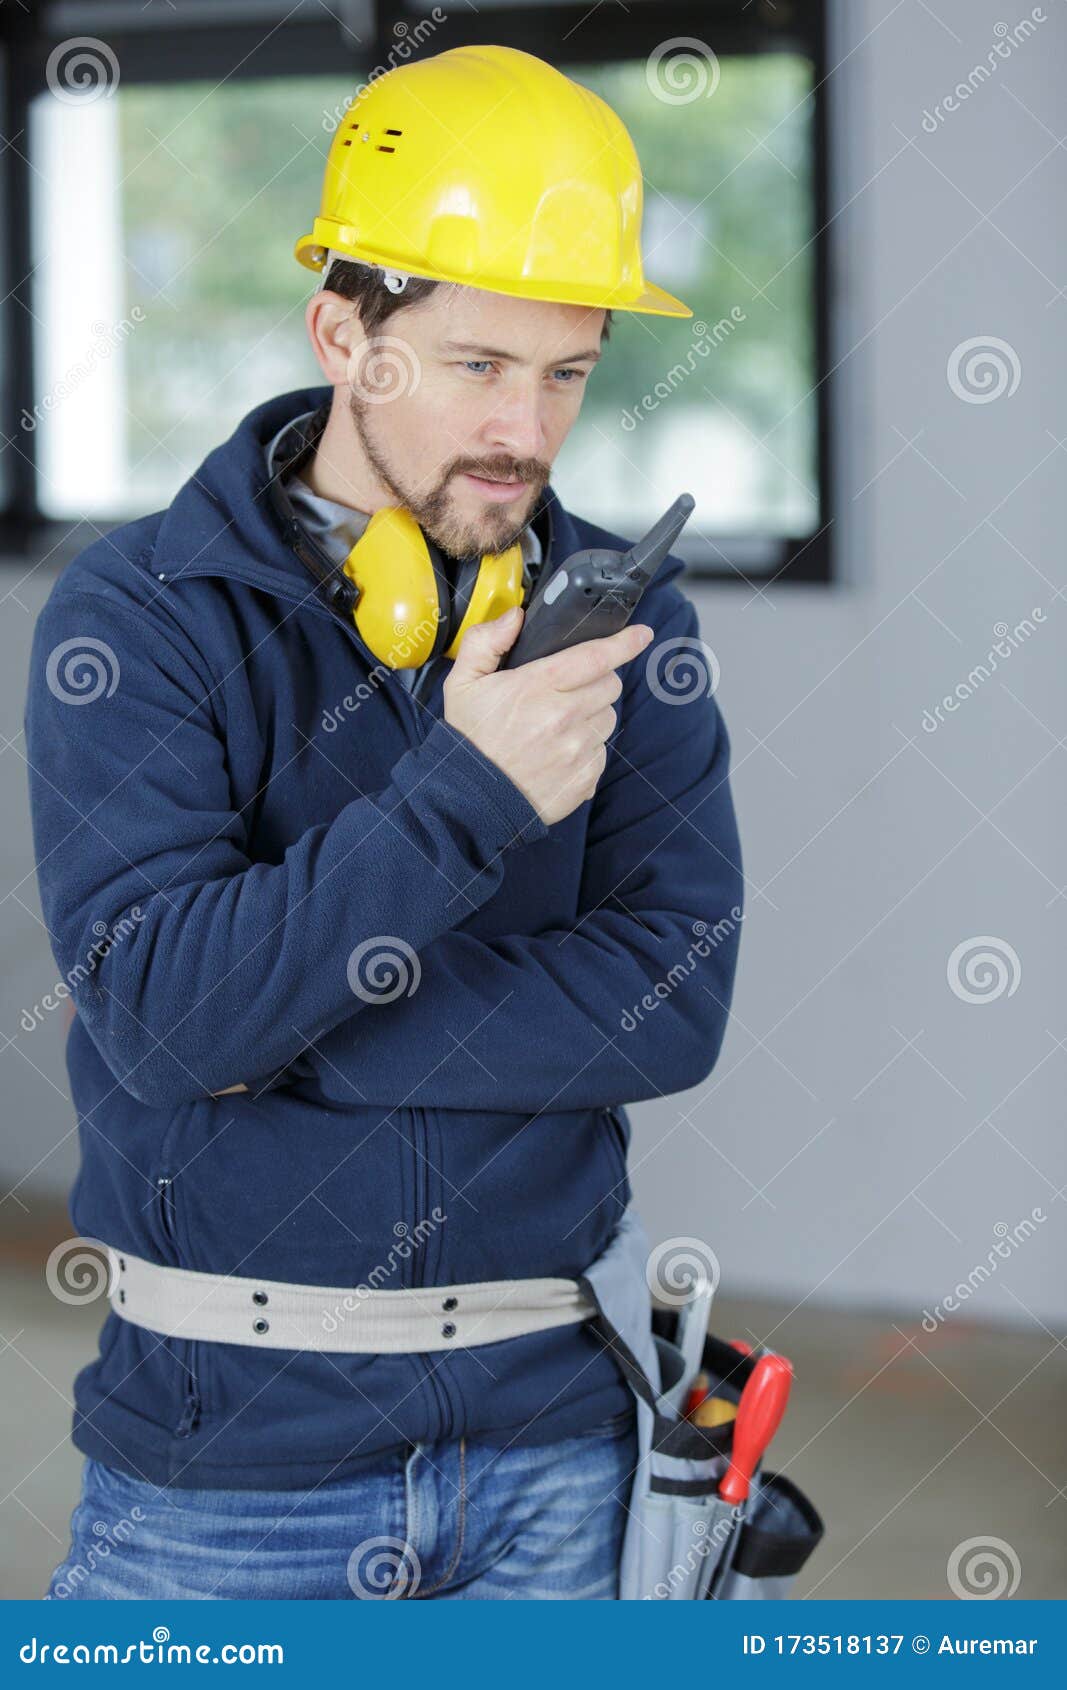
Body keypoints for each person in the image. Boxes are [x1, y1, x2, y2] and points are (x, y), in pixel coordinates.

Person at [26, 43, 744, 1600]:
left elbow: (675, 1002)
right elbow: (159, 1017)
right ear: (345, 333)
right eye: (480, 364)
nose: (529, 429)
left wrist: (268, 1029)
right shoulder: (140, 615)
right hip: (225, 1462)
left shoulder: (621, 617)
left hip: (563, 1441)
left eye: (567, 371)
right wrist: (471, 790)